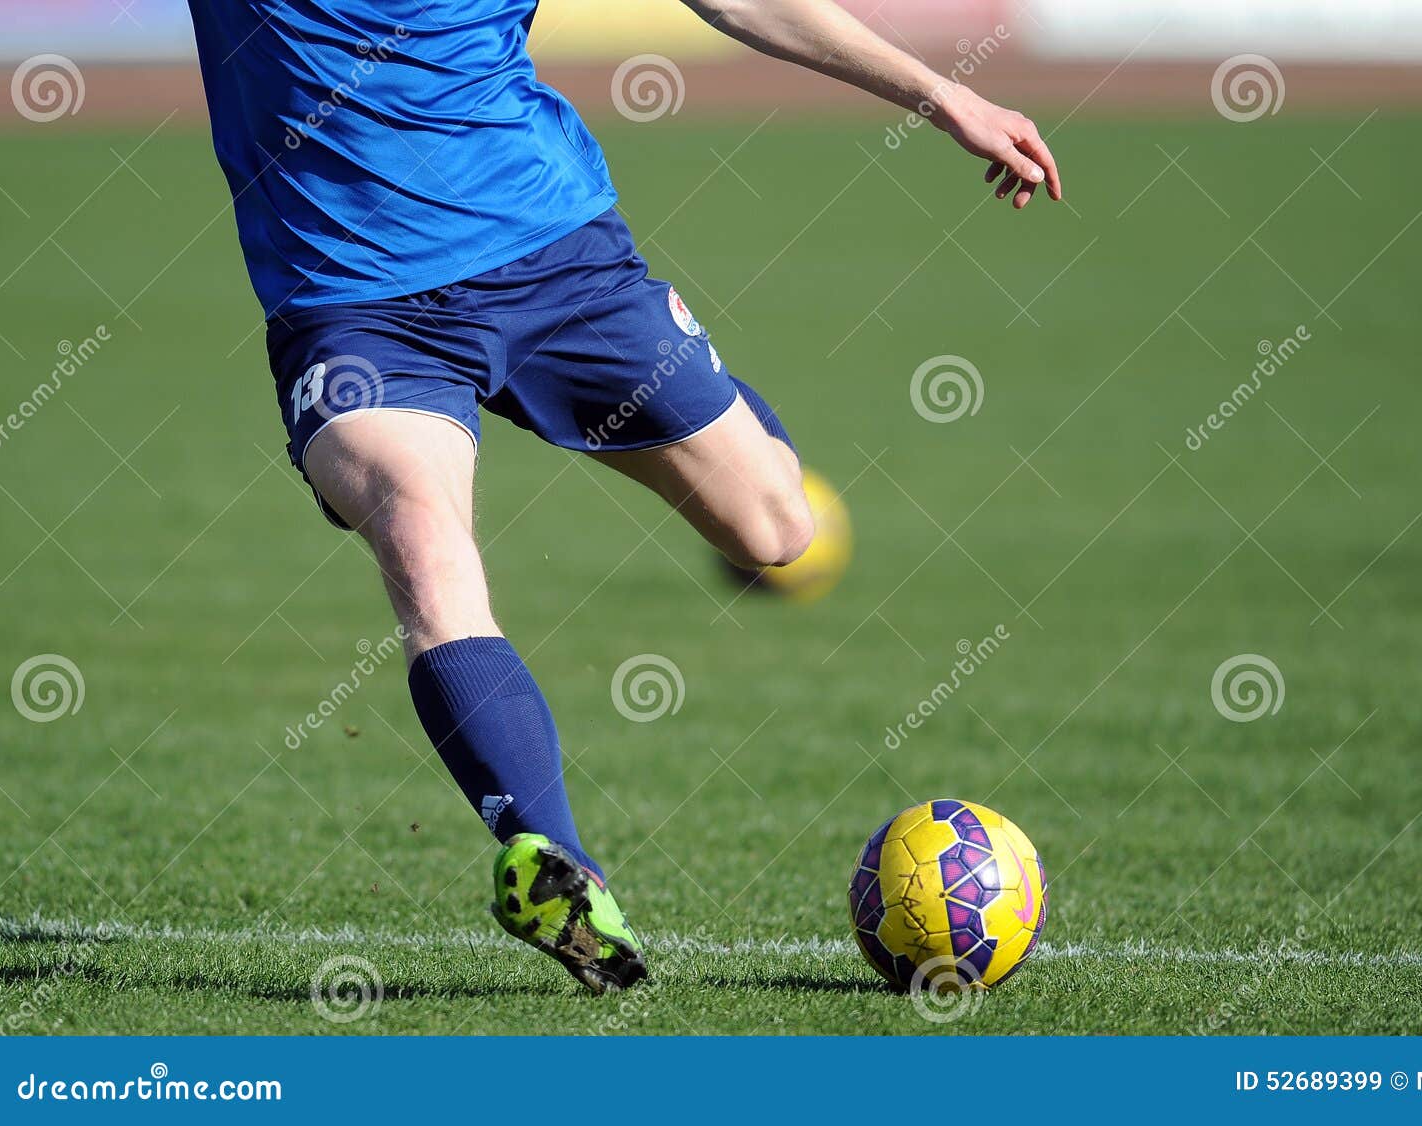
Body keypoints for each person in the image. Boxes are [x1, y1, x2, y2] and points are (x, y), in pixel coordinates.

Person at [187, 0, 1062, 993]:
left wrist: (937, 92)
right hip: (355, 307)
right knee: (422, 539)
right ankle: (547, 860)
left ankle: (715, 418)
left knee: (776, 525)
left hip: (557, 257)